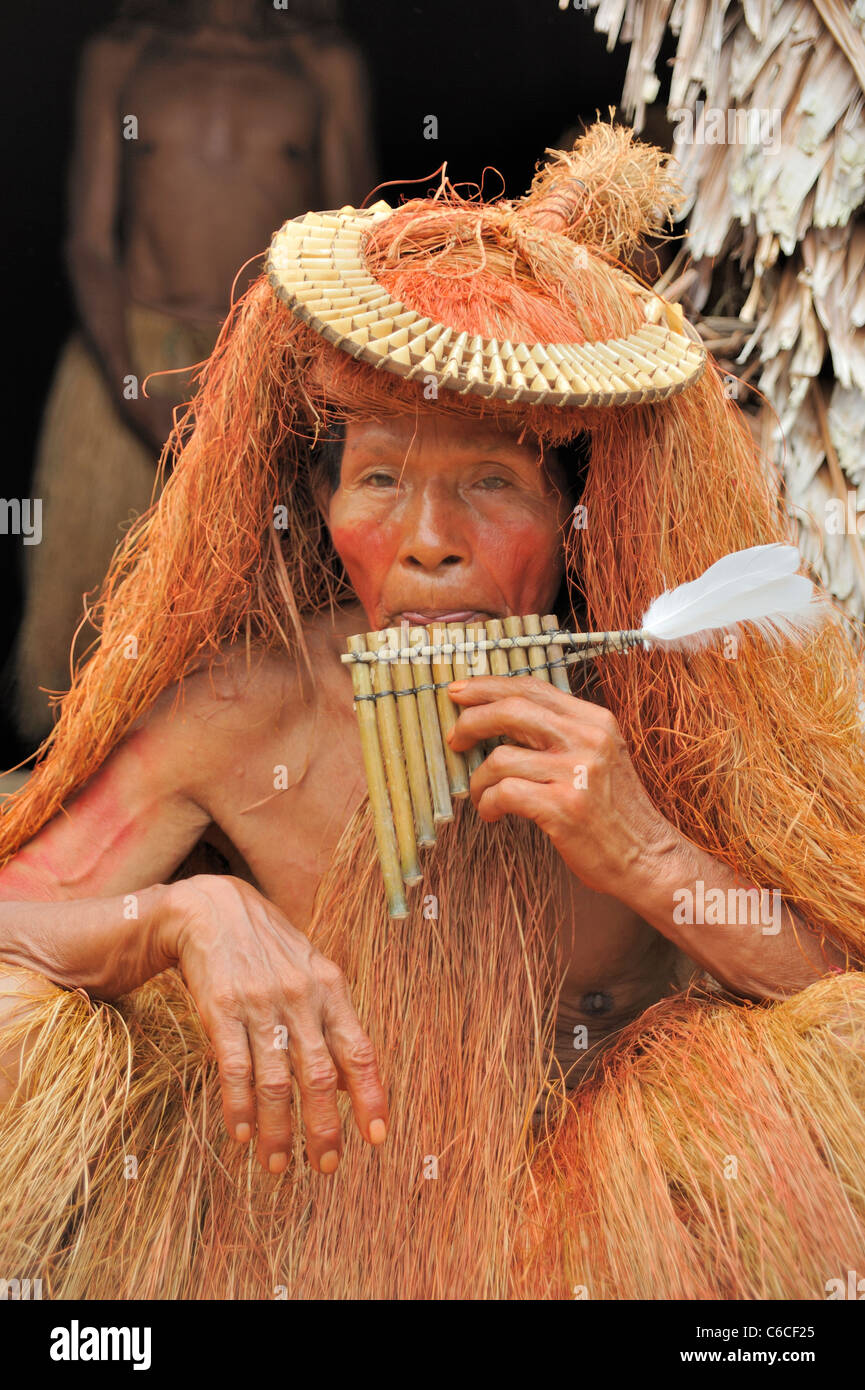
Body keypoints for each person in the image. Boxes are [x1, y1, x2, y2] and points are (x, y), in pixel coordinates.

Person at [0, 121, 863, 1300]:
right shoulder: (250, 706)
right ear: (322, 501)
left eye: (490, 484)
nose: (428, 546)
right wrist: (179, 919)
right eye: (382, 479)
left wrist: (650, 855)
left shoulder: (664, 714)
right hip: (301, 1239)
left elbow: (842, 985)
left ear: (576, 521)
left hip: (590, 1252)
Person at [14, 0, 376, 744]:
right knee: (86, 637)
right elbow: (89, 243)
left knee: (253, 639)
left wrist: (281, 384)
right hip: (130, 353)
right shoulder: (125, 54)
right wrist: (129, 386)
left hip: (265, 361)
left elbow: (355, 239)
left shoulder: (321, 65)